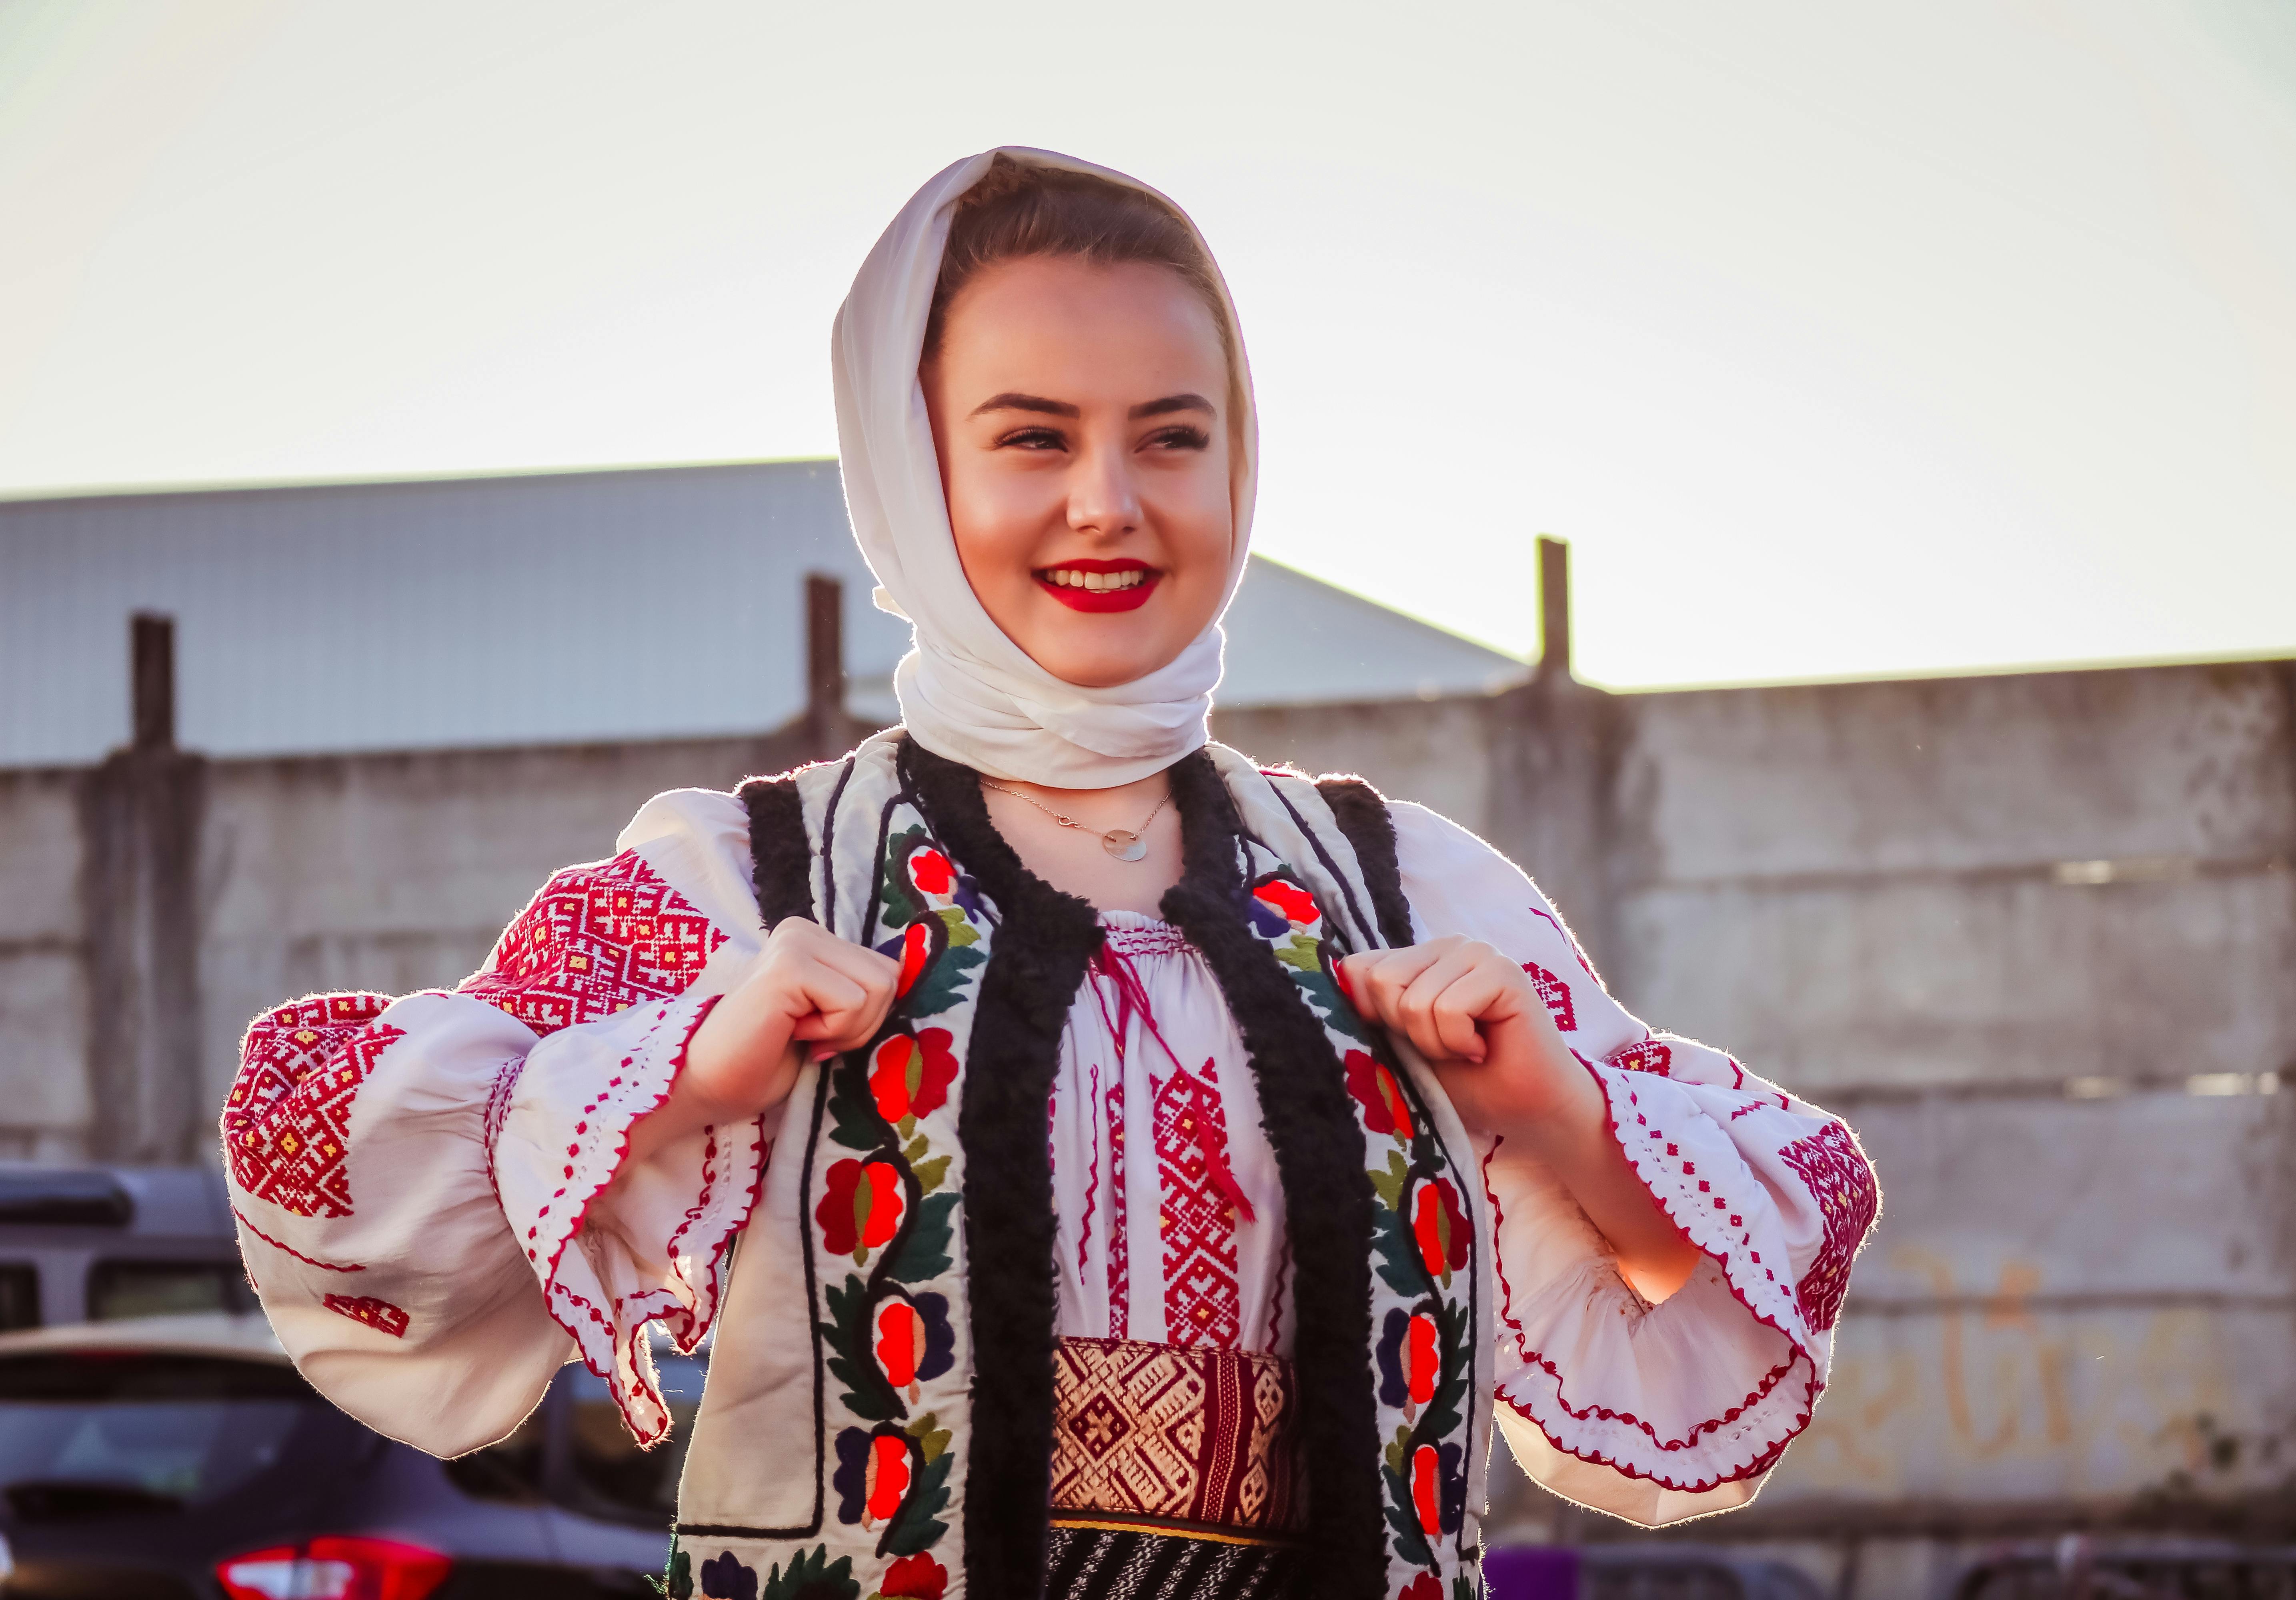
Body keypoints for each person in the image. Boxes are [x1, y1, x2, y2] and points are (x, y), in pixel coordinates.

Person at [221, 148, 1878, 1600]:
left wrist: (1555, 1109)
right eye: (1032, 437)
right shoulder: (745, 877)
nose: (1110, 503)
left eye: (1172, 437)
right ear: (911, 464)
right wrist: (680, 1070)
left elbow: (1724, 1275)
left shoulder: (1408, 883)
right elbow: (330, 1170)